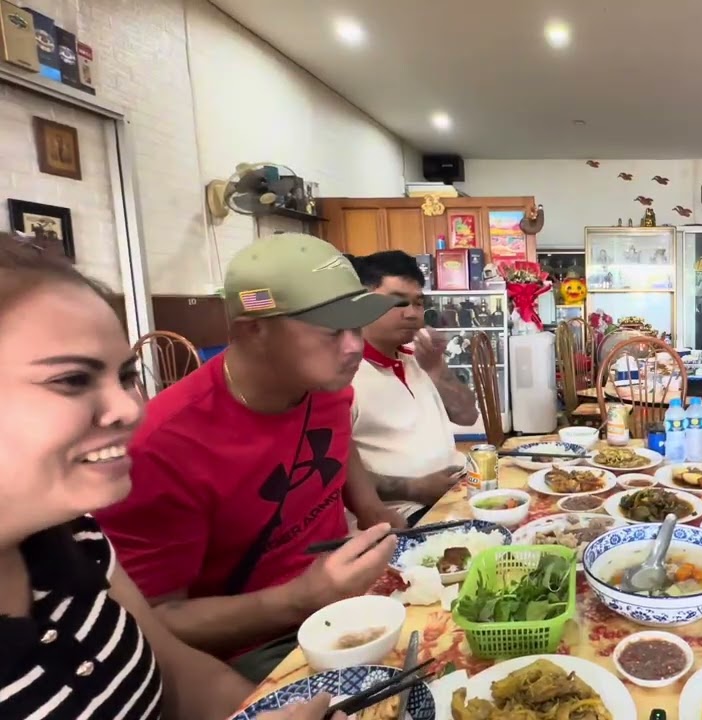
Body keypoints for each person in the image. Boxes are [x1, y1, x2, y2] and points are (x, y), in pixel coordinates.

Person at [96, 234, 406, 683]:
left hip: (348, 604)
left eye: (357, 328)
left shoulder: (323, 385)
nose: (354, 347)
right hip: (250, 649)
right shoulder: (161, 446)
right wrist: (300, 598)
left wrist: (370, 505)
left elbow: (339, 442)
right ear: (252, 329)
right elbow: (155, 621)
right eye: (332, 331)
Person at [0, 231, 254, 719]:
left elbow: (178, 671)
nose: (131, 408)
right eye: (72, 379)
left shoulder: (76, 535)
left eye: (125, 376)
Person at [348, 251, 479, 523]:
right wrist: (413, 488)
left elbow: (468, 416)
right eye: (397, 302)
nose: (412, 314)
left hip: (456, 495)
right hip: (403, 515)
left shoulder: (416, 356)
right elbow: (335, 476)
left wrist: (436, 369)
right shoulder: (343, 374)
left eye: (418, 303)